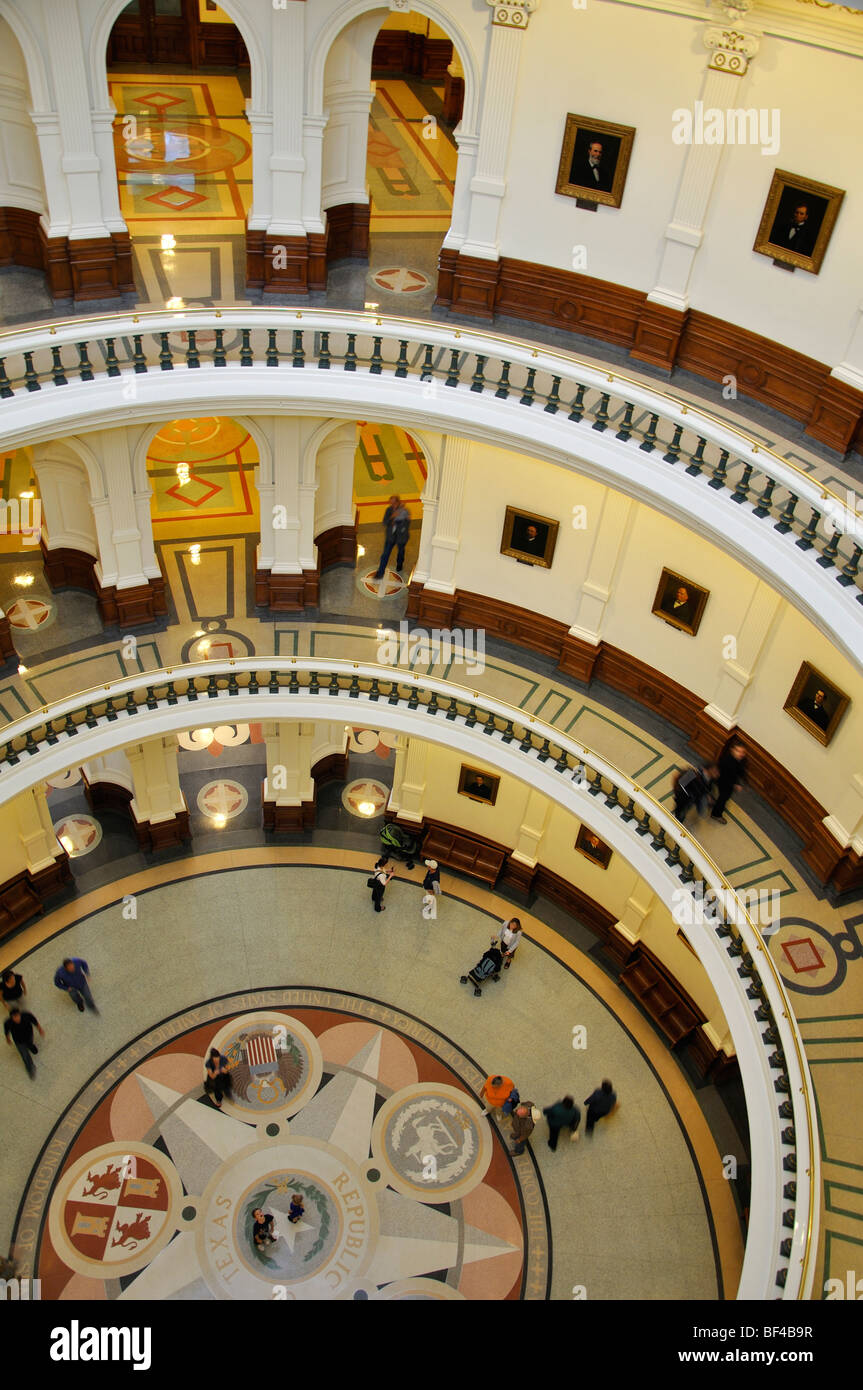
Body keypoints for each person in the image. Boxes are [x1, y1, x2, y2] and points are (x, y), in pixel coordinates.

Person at [373, 495, 411, 579]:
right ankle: (380, 573)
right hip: (391, 536)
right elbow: (384, 522)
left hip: (401, 537)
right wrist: (392, 517)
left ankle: (399, 564)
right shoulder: (389, 510)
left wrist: (399, 523)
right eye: (391, 503)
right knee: (385, 554)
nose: (392, 505)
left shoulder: (405, 511)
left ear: (398, 502)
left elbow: (407, 524)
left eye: (394, 503)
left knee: (401, 552)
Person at [711, 740, 747, 824]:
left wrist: (741, 781)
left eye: (742, 752)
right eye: (738, 751)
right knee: (723, 799)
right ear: (732, 750)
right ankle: (716, 814)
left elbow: (741, 771)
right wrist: (734, 785)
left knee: (724, 797)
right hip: (723, 782)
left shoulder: (742, 760)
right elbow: (723, 777)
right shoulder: (726, 761)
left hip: (731, 781)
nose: (740, 754)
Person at [4, 1007, 44, 1079]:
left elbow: (34, 1021)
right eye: (14, 1017)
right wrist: (8, 1039)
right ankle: (30, 1068)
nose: (17, 1018)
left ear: (20, 1014)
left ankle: (31, 1046)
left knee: (30, 1042)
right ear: (11, 1017)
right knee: (24, 1055)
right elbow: (7, 1032)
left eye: (17, 1016)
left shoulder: (27, 1015)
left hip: (29, 1035)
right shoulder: (8, 1023)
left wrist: (40, 1029)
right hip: (18, 1041)